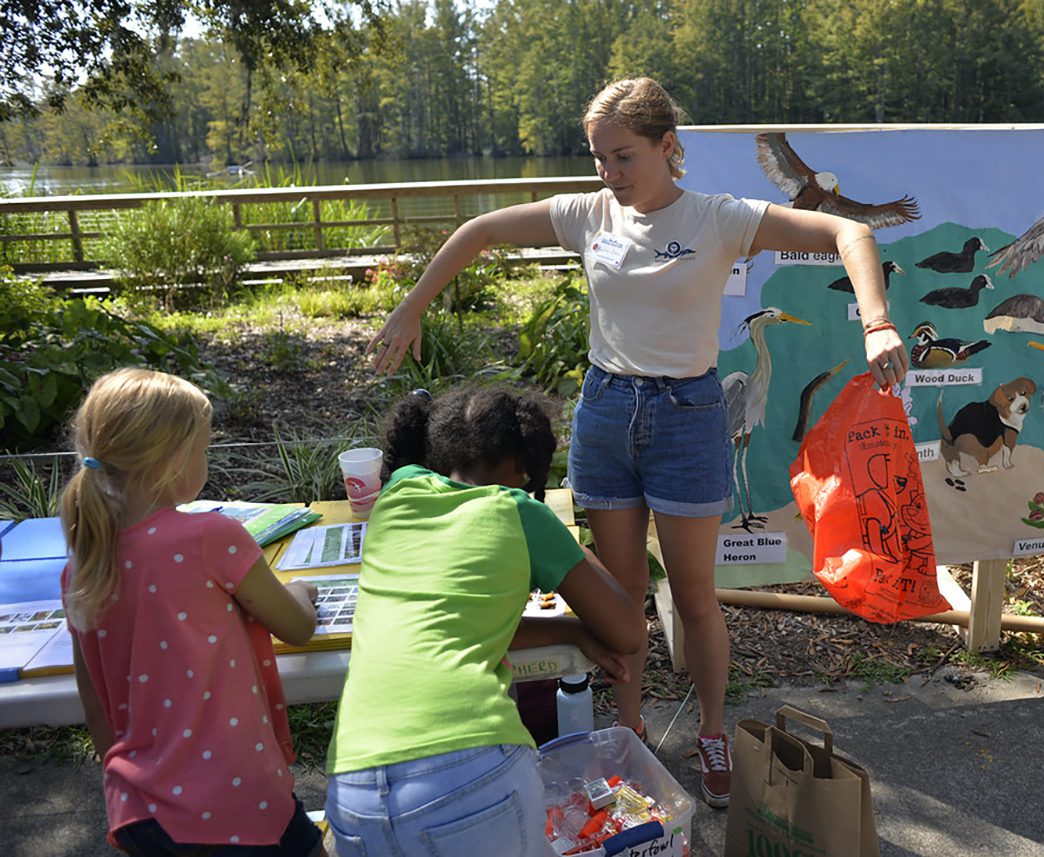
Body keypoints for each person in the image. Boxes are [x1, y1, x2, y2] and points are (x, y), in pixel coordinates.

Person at [369, 77, 909, 808]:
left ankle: (714, 731)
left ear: (668, 147)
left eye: (623, 157)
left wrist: (876, 320)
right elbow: (481, 231)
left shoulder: (719, 217)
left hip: (687, 413)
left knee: (693, 597)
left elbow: (851, 231)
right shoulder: (588, 213)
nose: (609, 175)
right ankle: (627, 734)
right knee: (619, 599)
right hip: (605, 410)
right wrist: (412, 306)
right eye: (598, 159)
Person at [322, 386, 641, 856]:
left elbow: (451, 620)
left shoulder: (398, 492)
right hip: (470, 773)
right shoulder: (518, 511)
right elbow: (628, 631)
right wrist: (562, 547)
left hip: (353, 791)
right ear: (522, 466)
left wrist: (564, 629)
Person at [60, 367, 326, 857]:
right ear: (172, 459)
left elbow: (95, 701)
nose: (207, 459)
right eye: (203, 449)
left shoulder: (84, 563)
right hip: (236, 798)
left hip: (140, 810)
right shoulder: (211, 537)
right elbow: (298, 627)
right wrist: (303, 591)